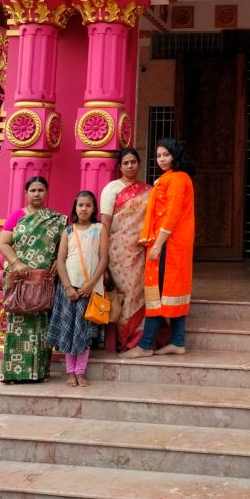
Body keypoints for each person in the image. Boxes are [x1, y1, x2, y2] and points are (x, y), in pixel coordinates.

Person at [124, 138, 195, 358]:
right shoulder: (170, 178)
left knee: (157, 293)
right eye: (159, 156)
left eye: (166, 154)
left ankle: (146, 345)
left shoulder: (177, 179)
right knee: (171, 293)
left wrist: (158, 246)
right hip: (168, 244)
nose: (162, 159)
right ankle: (177, 341)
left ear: (176, 155)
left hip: (168, 244)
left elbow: (172, 214)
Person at [0, 176, 66, 383]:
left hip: (43, 279)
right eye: (33, 190)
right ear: (26, 193)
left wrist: (58, 261)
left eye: (41, 190)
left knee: (40, 324)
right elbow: (4, 244)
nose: (37, 194)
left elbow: (65, 244)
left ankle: (39, 372)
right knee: (17, 321)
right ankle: (13, 373)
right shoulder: (16, 216)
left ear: (46, 192)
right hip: (19, 279)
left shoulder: (56, 219)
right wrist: (17, 263)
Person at [46, 190, 108, 387]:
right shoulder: (68, 231)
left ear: (94, 208)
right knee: (68, 330)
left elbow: (103, 258)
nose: (84, 209)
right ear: (75, 207)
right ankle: (70, 372)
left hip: (89, 289)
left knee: (83, 332)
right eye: (80, 205)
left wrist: (90, 285)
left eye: (88, 205)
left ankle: (81, 372)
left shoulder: (99, 229)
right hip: (69, 290)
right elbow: (61, 260)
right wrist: (67, 287)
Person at [100, 148, 152, 351]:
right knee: (126, 294)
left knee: (140, 294)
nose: (130, 166)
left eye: (133, 162)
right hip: (118, 252)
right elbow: (105, 223)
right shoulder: (112, 188)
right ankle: (126, 340)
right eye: (126, 163)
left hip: (141, 250)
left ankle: (140, 339)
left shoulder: (148, 190)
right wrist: (102, 255)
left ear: (139, 164)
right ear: (119, 166)